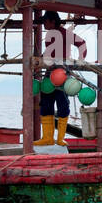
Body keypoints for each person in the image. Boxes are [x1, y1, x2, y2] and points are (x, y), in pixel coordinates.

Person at [33, 11, 71, 148]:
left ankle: (60, 138)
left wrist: (79, 58)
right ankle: (47, 138)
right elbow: (49, 52)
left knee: (62, 104)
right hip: (49, 74)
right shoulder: (50, 36)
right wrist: (39, 62)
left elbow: (81, 43)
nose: (43, 24)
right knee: (46, 103)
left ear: (52, 21)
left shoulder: (65, 33)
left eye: (45, 21)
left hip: (62, 73)